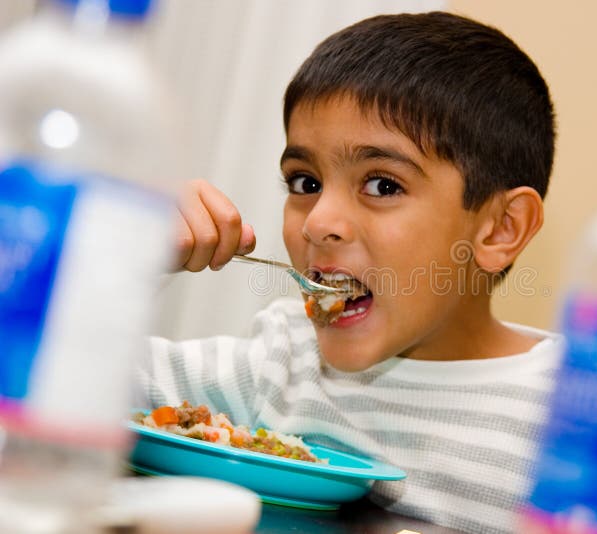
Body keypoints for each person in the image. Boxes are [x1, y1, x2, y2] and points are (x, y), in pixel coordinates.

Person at [137, 11, 559, 534]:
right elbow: (51, 386)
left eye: (382, 185)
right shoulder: (284, 361)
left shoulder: (574, 426)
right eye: (305, 182)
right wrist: (120, 257)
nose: (318, 222)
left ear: (500, 228)